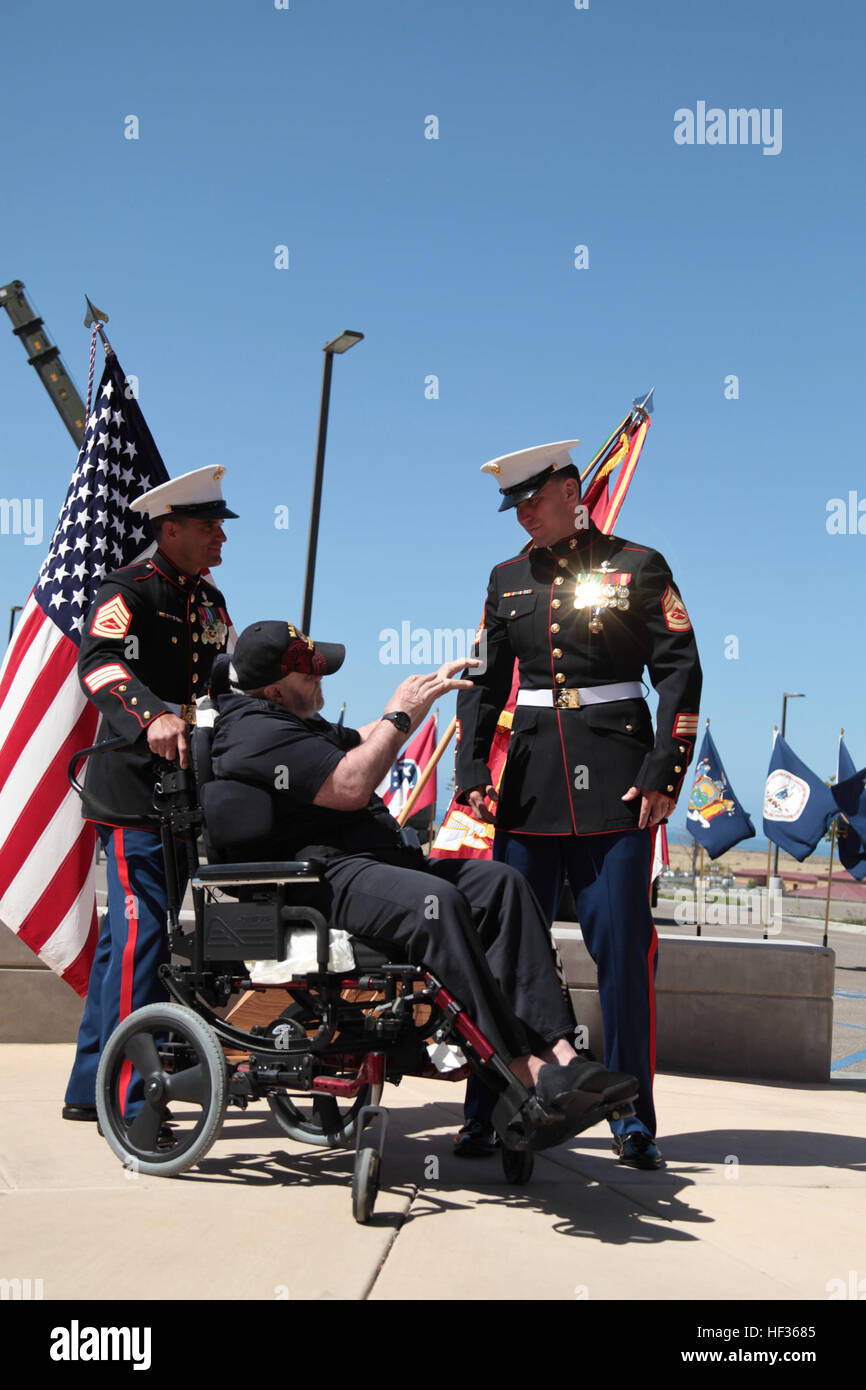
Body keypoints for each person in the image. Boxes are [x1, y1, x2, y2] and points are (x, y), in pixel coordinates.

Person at [209, 619, 638, 1128]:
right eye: (311, 671)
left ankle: (563, 1055)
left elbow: (358, 740)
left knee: (502, 884)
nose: (322, 676)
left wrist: (419, 702)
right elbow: (348, 783)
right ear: (276, 689)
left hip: (365, 863)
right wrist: (399, 716)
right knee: (440, 905)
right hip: (317, 879)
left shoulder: (286, 717)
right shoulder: (253, 732)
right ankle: (517, 1069)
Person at [455, 440, 702, 1168]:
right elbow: (484, 683)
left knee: (624, 953)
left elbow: (681, 674)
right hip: (528, 791)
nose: (523, 515)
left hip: (618, 790)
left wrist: (664, 773)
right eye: (515, 506)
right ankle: (491, 1108)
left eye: (533, 500)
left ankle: (631, 1116)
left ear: (572, 489)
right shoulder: (505, 580)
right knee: (501, 957)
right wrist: (470, 766)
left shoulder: (639, 566)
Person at [62, 466, 237, 1122]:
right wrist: (150, 713)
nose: (221, 537)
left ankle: (91, 1087)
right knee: (143, 933)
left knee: (127, 942)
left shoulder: (211, 604)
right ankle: (135, 1100)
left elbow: (226, 683)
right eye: (208, 526)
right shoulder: (127, 589)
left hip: (184, 791)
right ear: (170, 530)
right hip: (132, 786)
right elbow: (98, 662)